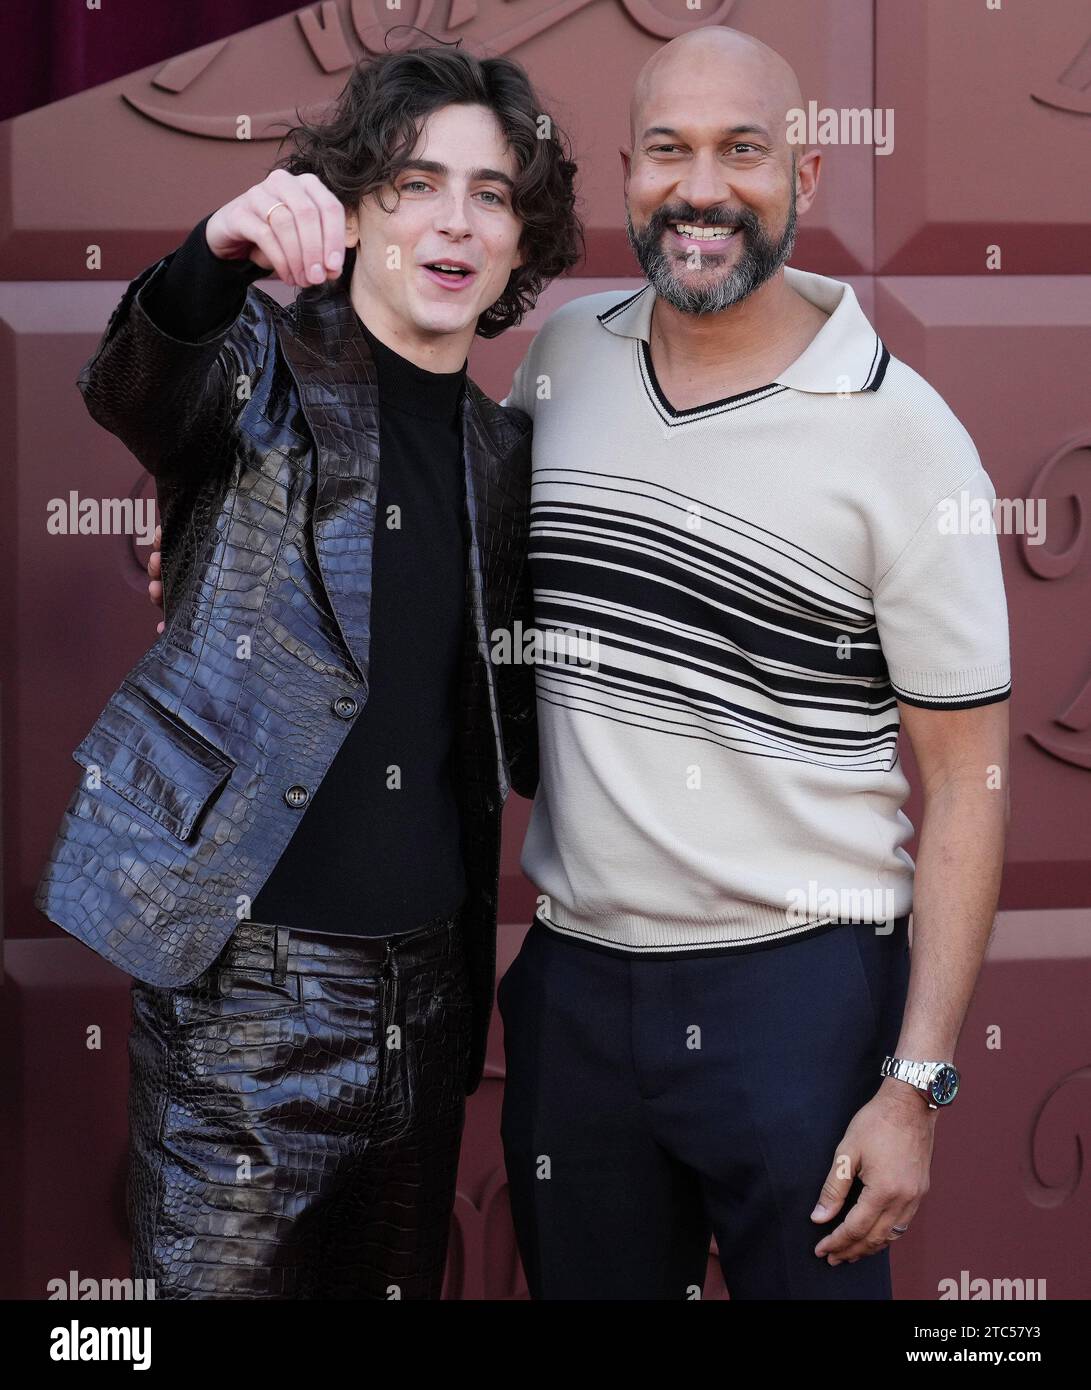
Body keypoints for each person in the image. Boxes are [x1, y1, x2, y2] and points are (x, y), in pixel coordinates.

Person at [36, 45, 579, 1299]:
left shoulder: (504, 454)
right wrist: (212, 257)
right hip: (244, 995)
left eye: (491, 194)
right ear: (352, 207)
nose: (453, 220)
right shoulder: (260, 369)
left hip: (430, 1001)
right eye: (415, 183)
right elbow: (139, 382)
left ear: (517, 237)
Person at [497, 26, 1011, 1300]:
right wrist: (242, 546)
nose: (703, 188)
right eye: (669, 151)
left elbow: (965, 783)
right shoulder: (560, 365)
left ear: (807, 175)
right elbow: (434, 574)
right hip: (574, 987)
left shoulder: (904, 436)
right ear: (624, 173)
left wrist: (915, 1080)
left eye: (743, 150)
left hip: (800, 1001)